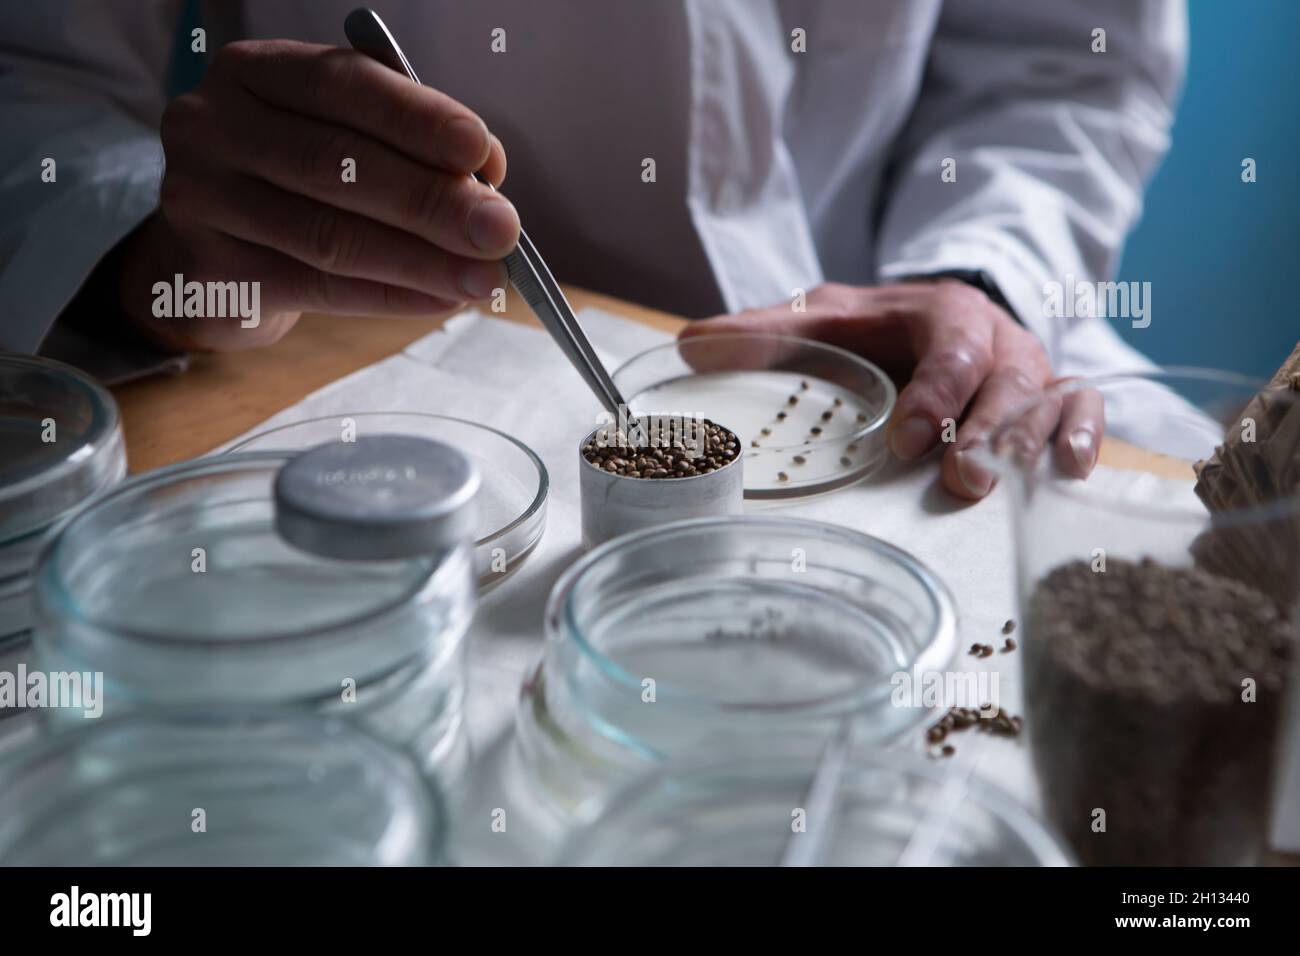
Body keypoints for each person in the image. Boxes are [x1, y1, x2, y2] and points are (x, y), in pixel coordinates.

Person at [0, 0, 1186, 499]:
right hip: (329, 346)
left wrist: (980, 276)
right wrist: (149, 251)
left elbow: (1067, 59)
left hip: (898, 320)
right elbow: (31, 80)